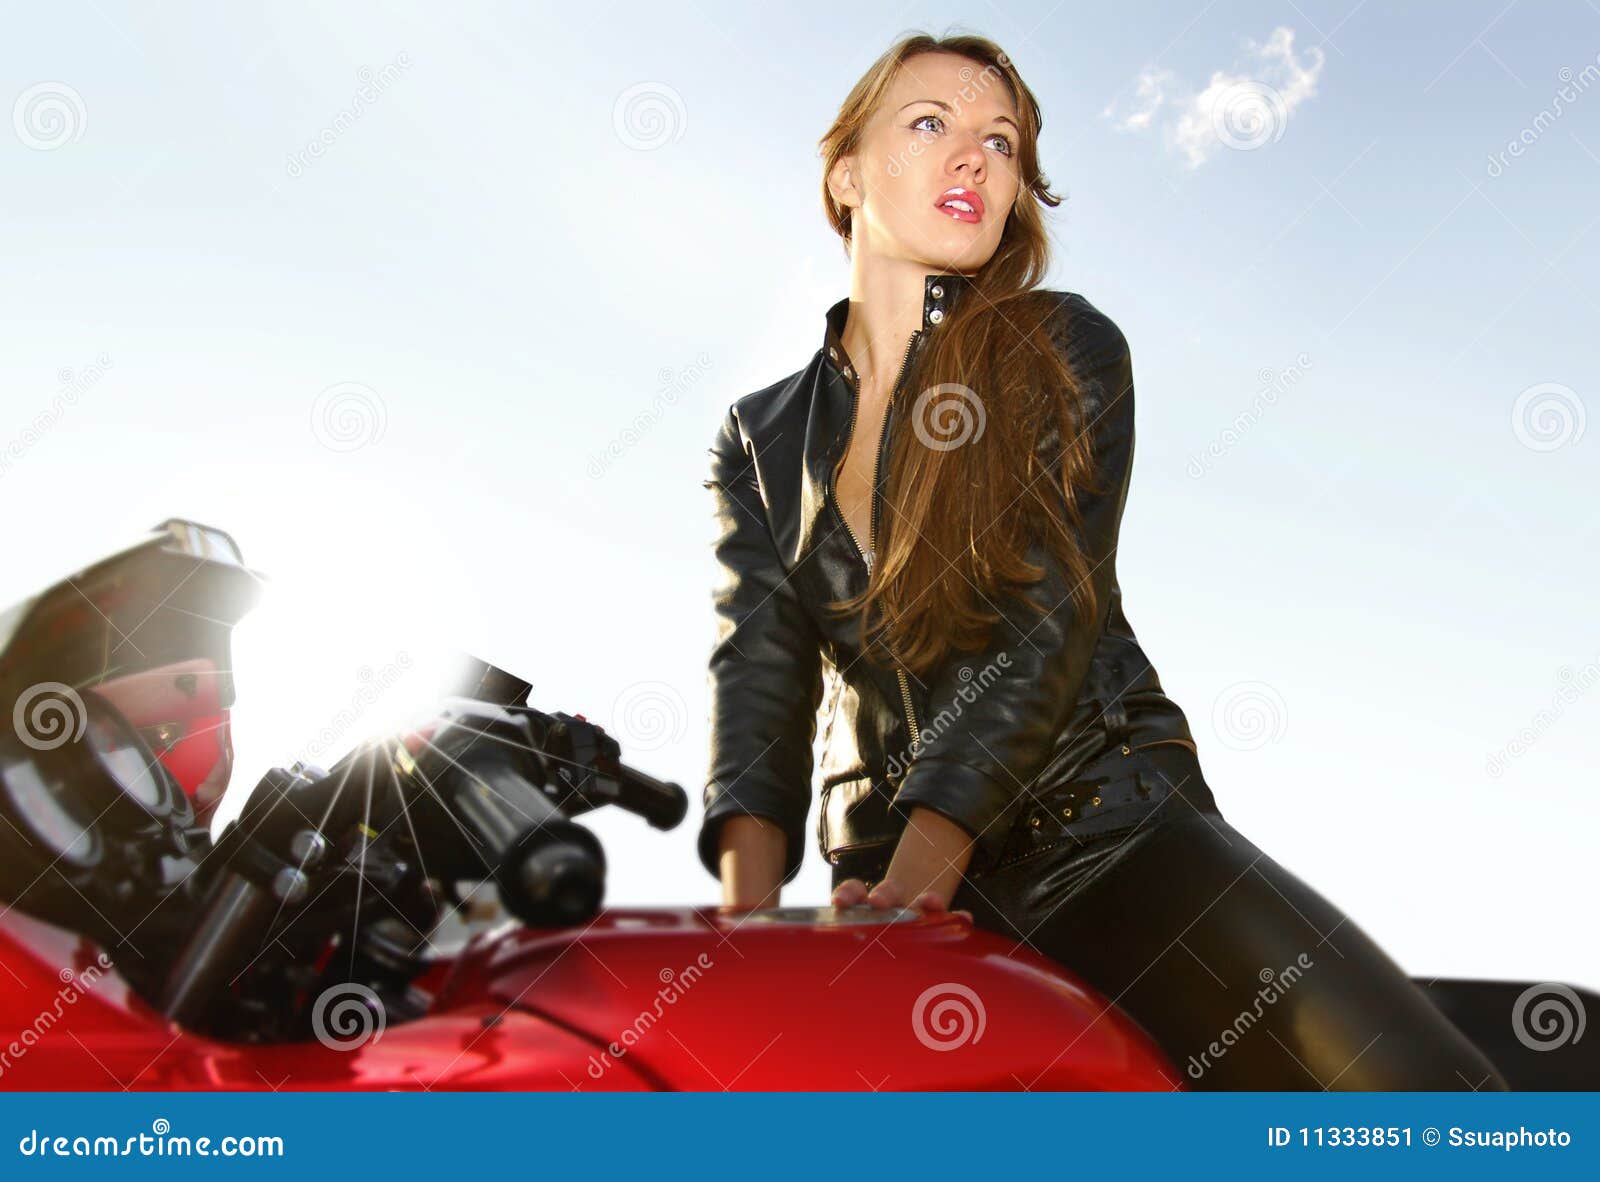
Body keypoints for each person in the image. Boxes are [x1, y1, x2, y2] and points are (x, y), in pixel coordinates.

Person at [696, 30, 1508, 1091]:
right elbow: (757, 682)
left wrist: (918, 888)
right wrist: (743, 938)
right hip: (878, 873)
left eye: (1002, 140)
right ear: (846, 173)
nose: (974, 157)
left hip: (1108, 841)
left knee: (1439, 1113)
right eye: (930, 123)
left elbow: (1042, 620)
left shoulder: (1063, 347)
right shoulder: (758, 434)